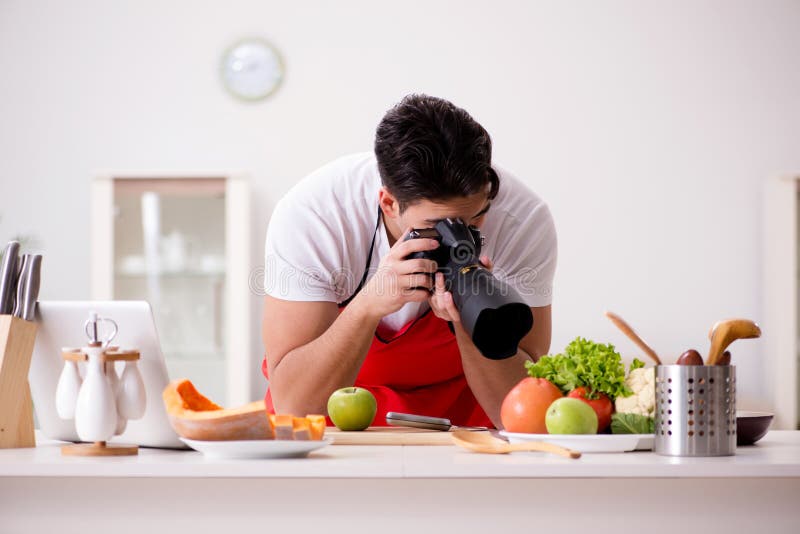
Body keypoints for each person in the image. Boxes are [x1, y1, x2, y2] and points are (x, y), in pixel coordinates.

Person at [261, 94, 557, 428]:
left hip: (463, 418)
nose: (461, 236)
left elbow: (524, 410)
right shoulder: (316, 216)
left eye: (477, 218)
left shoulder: (523, 219)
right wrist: (367, 305)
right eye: (436, 226)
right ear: (388, 203)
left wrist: (469, 314)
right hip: (340, 411)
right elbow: (294, 404)